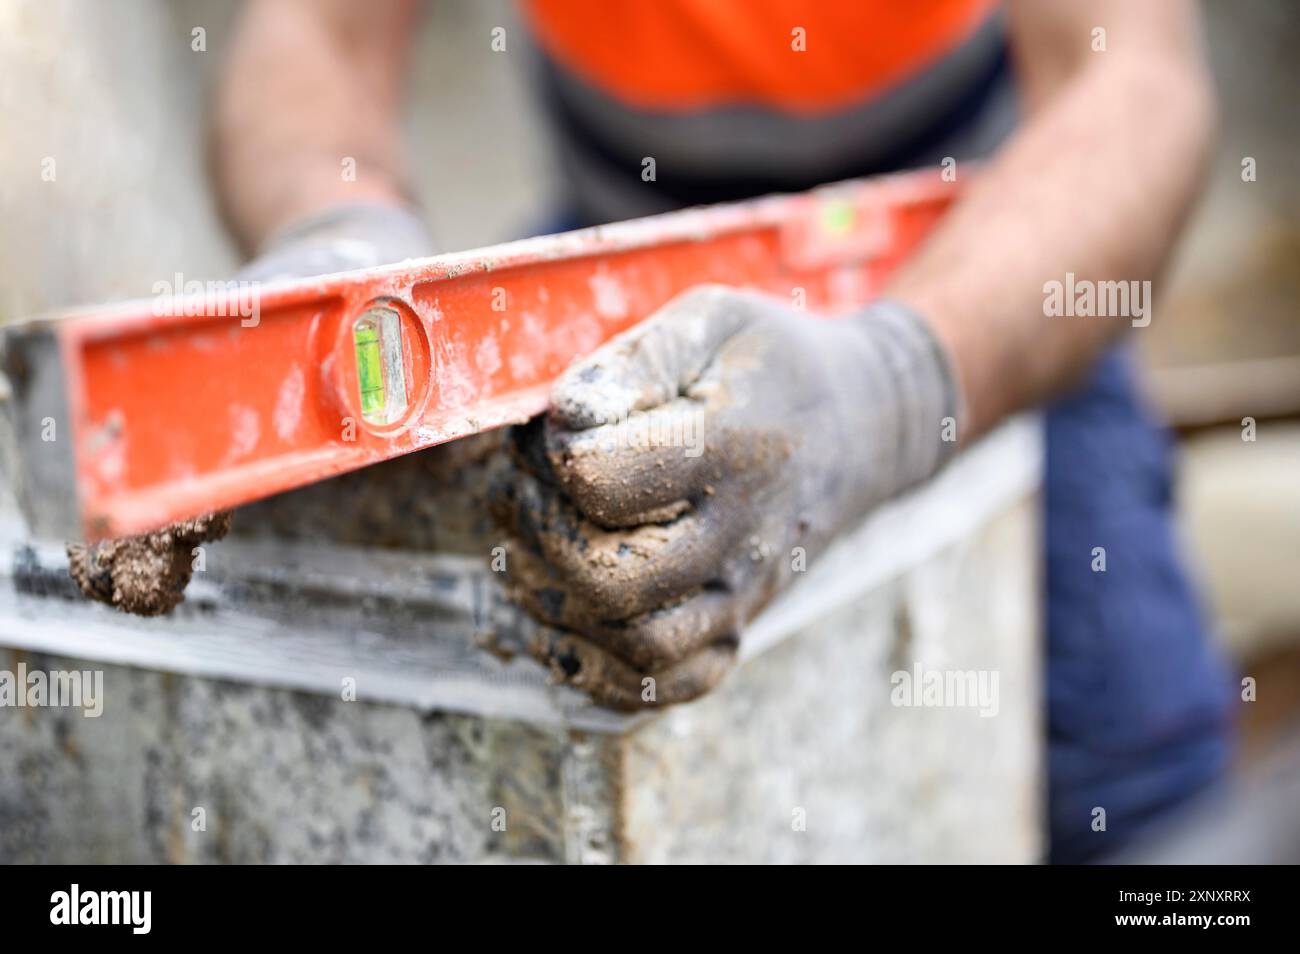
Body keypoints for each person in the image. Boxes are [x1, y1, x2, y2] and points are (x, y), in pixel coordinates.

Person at [212, 0, 1234, 863]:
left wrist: (890, 387)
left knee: (1127, 764)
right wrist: (334, 235)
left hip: (991, 273)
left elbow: (1135, 81)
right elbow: (315, 37)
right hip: (624, 246)